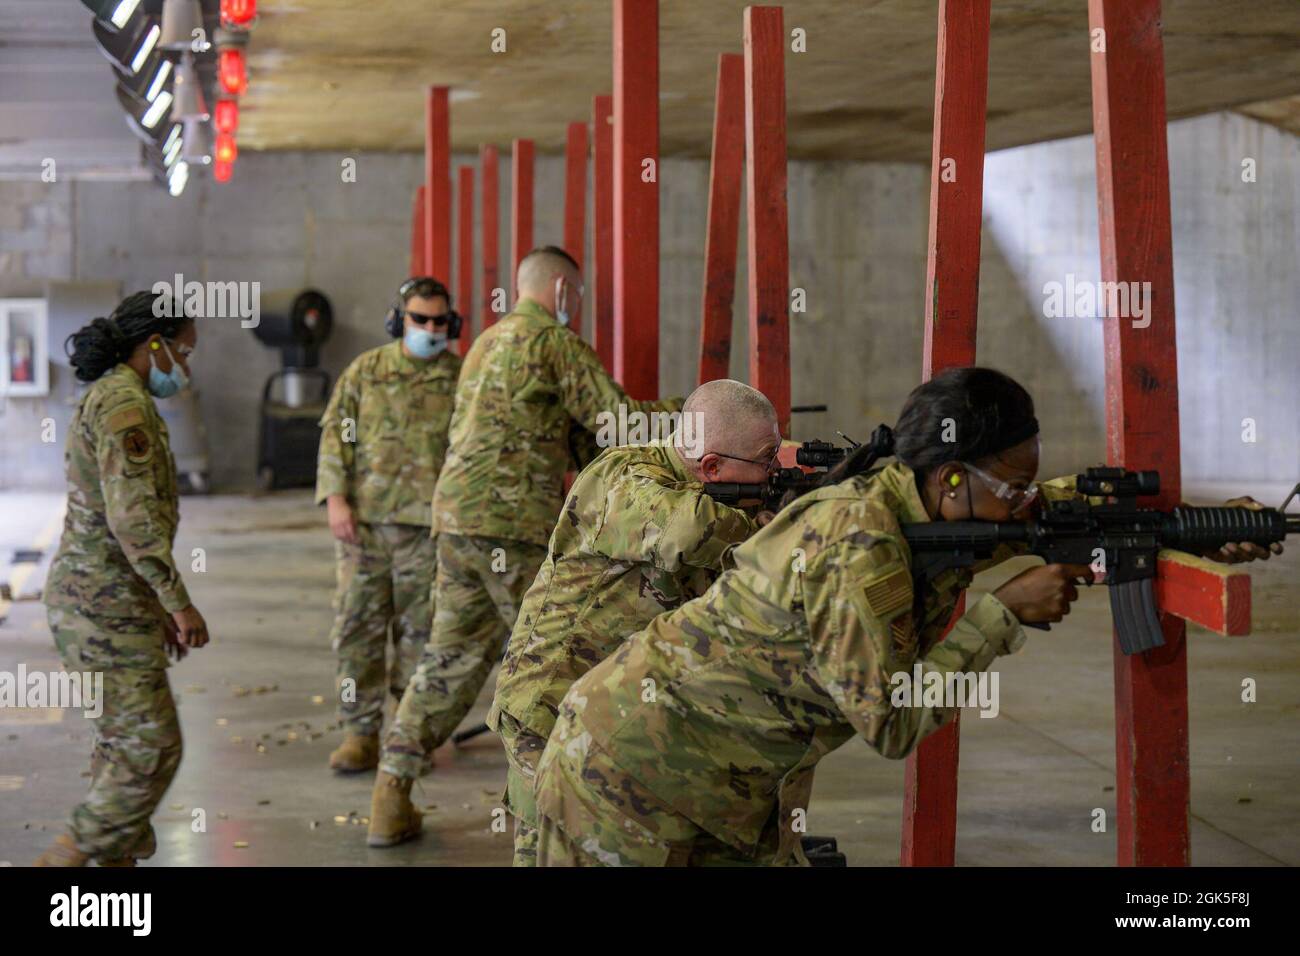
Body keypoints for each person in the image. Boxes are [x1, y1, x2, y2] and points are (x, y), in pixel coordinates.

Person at [530, 366, 1281, 866]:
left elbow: (1029, 505)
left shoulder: (916, 499)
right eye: (1012, 486)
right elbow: (889, 722)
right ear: (952, 479)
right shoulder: (855, 542)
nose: (1023, 503)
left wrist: (1196, 524)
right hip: (627, 774)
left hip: (724, 788)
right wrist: (999, 617)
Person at [367, 245, 683, 847]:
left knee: (449, 656)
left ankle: (391, 789)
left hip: (456, 521)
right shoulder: (554, 344)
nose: (579, 307)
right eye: (579, 296)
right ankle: (546, 815)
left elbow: (549, 432)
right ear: (562, 291)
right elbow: (615, 422)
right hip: (511, 526)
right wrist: (692, 417)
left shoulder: (485, 344)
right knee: (545, 666)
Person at [488, 378, 782, 865]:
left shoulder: (711, 490)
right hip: (548, 703)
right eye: (765, 461)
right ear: (710, 466)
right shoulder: (626, 477)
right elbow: (683, 531)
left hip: (607, 711)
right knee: (557, 850)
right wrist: (776, 530)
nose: (771, 473)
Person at [35, 292, 208, 867]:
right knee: (151, 745)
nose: (184, 367)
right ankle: (70, 854)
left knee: (120, 742)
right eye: (183, 352)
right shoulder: (123, 407)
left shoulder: (119, 397)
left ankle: (115, 866)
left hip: (106, 599)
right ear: (153, 345)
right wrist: (178, 603)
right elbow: (133, 520)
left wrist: (153, 607)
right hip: (100, 601)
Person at [315, 277, 463, 772]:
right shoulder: (367, 372)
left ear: (451, 323)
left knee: (420, 637)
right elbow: (337, 436)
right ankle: (359, 734)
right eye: (419, 319)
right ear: (399, 320)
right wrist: (336, 499)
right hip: (366, 530)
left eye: (439, 321)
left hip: (428, 532)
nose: (429, 328)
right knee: (357, 631)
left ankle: (406, 737)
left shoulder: (462, 378)